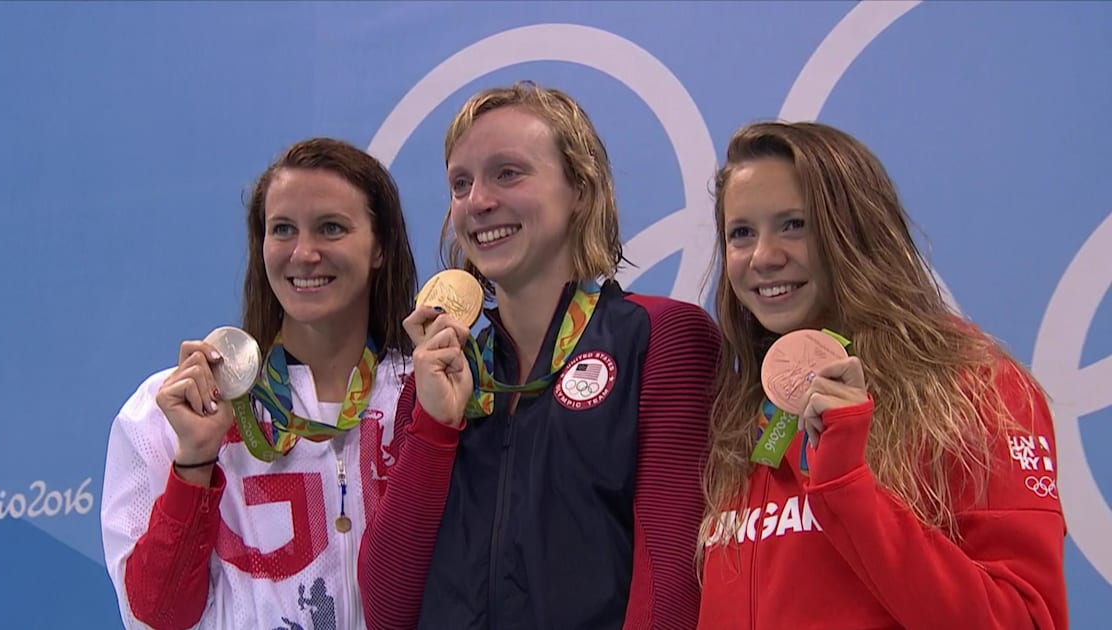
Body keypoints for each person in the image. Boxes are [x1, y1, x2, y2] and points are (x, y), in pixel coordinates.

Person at [357, 81, 721, 629]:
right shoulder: (445, 370)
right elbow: (387, 609)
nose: (477, 201)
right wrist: (434, 426)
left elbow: (674, 584)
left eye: (508, 172)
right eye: (461, 183)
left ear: (581, 187)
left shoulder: (661, 338)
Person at [696, 121, 1067, 628]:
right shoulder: (737, 413)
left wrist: (849, 487)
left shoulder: (975, 387)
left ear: (857, 231)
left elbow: (1024, 620)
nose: (763, 257)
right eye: (742, 233)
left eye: (794, 224)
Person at [101, 137, 418, 629]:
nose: (303, 253)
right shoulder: (178, 409)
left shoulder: (423, 396)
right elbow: (157, 617)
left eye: (331, 228)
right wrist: (193, 463)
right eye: (283, 229)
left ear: (379, 247)